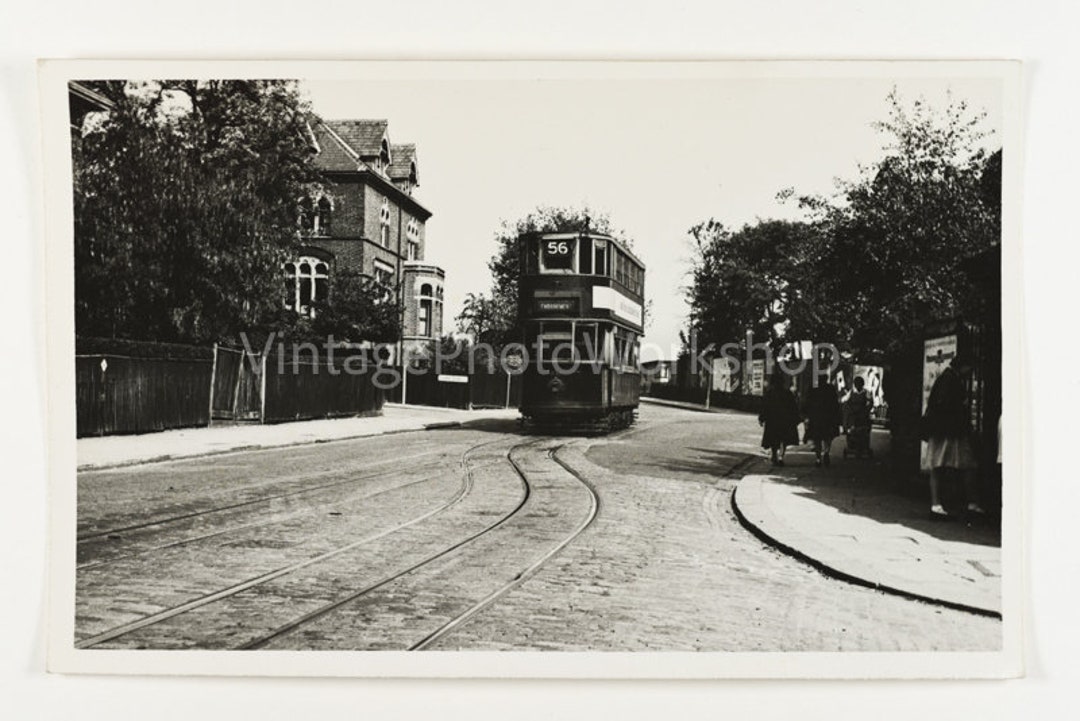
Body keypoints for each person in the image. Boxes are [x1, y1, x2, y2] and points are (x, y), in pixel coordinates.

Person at [922, 351, 984, 519]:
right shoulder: (951, 380)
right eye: (970, 368)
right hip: (949, 431)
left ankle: (938, 505)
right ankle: (969, 503)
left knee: (939, 466)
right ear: (963, 366)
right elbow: (946, 405)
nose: (970, 372)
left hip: (941, 430)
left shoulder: (946, 378)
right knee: (965, 464)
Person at [759, 371, 800, 466]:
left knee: (773, 439)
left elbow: (764, 407)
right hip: (785, 420)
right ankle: (781, 456)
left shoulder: (769, 394)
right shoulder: (787, 393)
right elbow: (793, 407)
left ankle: (774, 455)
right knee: (783, 439)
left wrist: (762, 418)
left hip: (772, 420)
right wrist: (796, 418)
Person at [804, 373, 842, 467]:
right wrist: (837, 417)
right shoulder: (830, 388)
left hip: (816, 417)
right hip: (828, 417)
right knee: (827, 437)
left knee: (817, 439)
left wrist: (806, 415)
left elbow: (807, 402)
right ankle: (826, 452)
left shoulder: (813, 388)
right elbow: (835, 404)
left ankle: (818, 459)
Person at [842, 375, 873, 459]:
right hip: (853, 416)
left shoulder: (866, 392)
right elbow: (844, 401)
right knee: (852, 431)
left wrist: (866, 409)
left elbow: (870, 402)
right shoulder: (851, 392)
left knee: (863, 431)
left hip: (862, 416)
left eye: (860, 384)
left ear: (862, 384)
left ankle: (862, 446)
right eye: (856, 384)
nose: (858, 386)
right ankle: (852, 445)